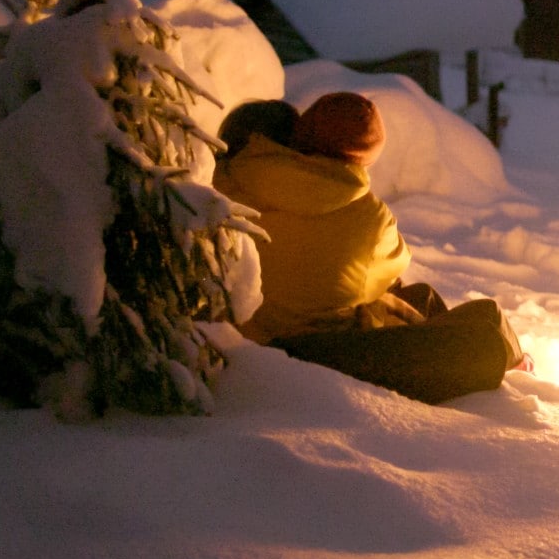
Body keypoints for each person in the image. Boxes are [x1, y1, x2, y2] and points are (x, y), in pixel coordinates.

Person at [213, 92, 526, 403]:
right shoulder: (364, 211)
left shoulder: (217, 189)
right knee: (483, 339)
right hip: (309, 359)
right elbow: (389, 269)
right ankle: (509, 373)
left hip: (247, 341)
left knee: (421, 297)